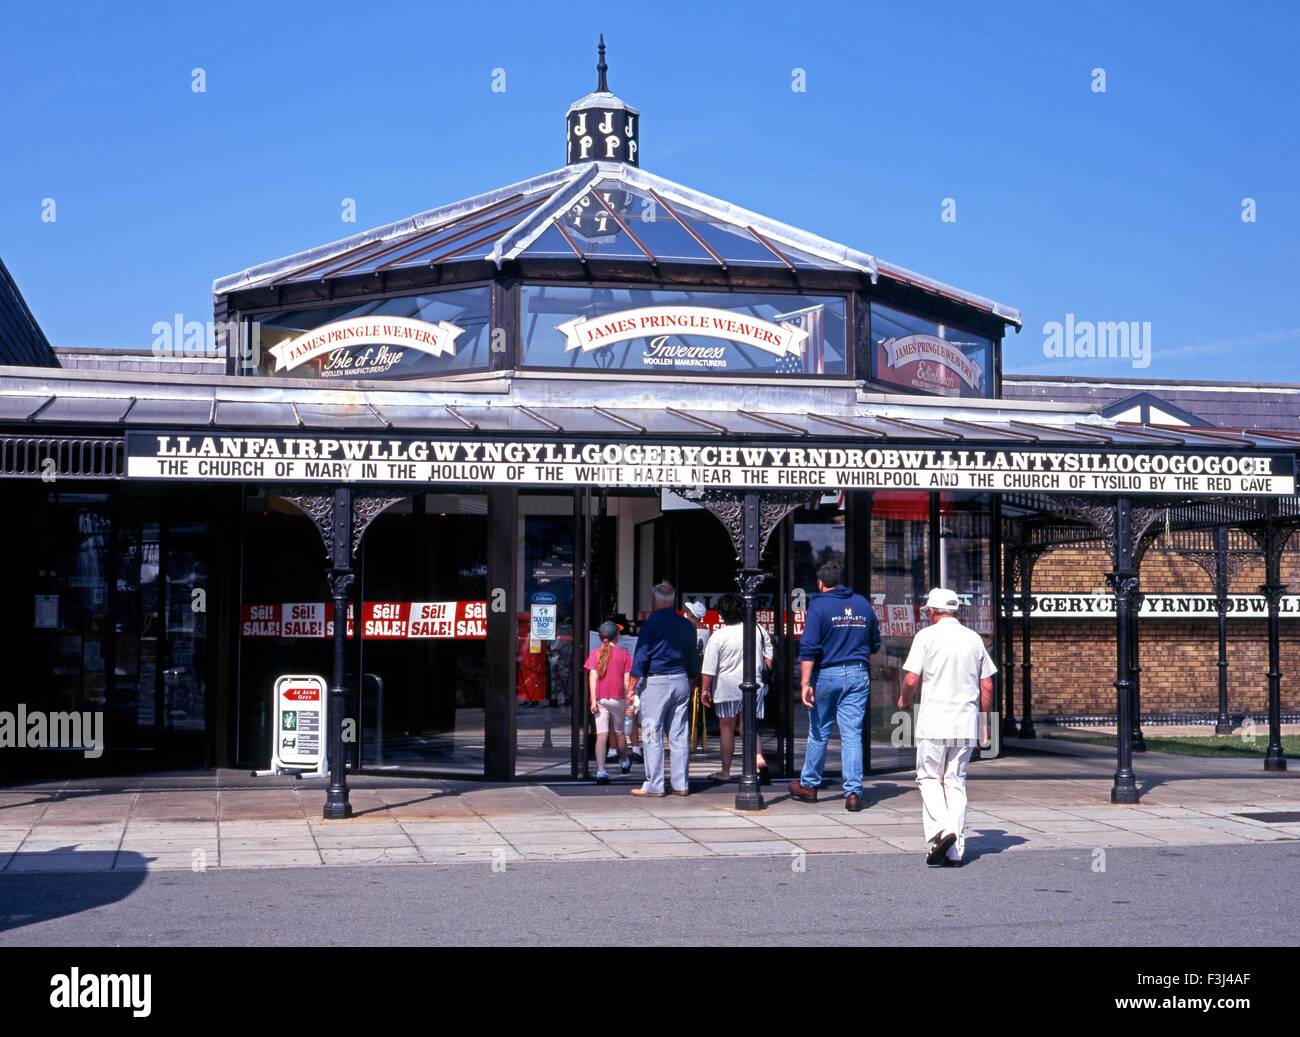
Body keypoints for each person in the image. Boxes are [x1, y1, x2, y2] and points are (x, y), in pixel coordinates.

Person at [897, 587, 996, 868]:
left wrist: (905, 699)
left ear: (931, 611)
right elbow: (987, 684)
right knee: (955, 781)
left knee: (929, 778)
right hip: (965, 722)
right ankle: (955, 852)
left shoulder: (926, 636)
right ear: (955, 610)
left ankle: (942, 830)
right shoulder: (974, 639)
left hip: (934, 721)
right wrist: (984, 723)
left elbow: (912, 679)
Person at [788, 559, 881, 812]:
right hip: (857, 672)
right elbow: (875, 642)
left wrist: (805, 683)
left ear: (820, 583)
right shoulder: (862, 603)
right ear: (841, 581)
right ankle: (853, 791)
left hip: (827, 674)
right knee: (852, 735)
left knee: (819, 731)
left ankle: (809, 786)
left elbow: (808, 648)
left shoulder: (819, 606)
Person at [628, 581, 698, 797]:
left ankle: (655, 784)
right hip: (680, 680)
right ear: (674, 601)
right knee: (678, 734)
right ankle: (681, 784)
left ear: (653, 600)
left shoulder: (651, 624)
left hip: (656, 683)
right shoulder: (686, 625)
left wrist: (631, 688)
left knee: (651, 733)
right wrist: (690, 682)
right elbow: (693, 659)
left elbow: (641, 656)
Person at [700, 592, 773, 783]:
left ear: (722, 614)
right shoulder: (757, 629)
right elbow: (769, 658)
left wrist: (705, 690)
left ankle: (725, 772)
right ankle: (759, 760)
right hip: (754, 685)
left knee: (727, 728)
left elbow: (709, 668)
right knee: (749, 726)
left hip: (726, 687)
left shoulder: (718, 636)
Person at [584, 620, 634, 783]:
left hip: (600, 699)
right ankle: (624, 761)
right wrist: (630, 697)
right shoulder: (624, 655)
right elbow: (627, 681)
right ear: (616, 637)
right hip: (618, 699)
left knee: (601, 735)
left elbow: (592, 677)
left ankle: (601, 771)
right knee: (619, 733)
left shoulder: (595, 654)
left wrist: (592, 700)